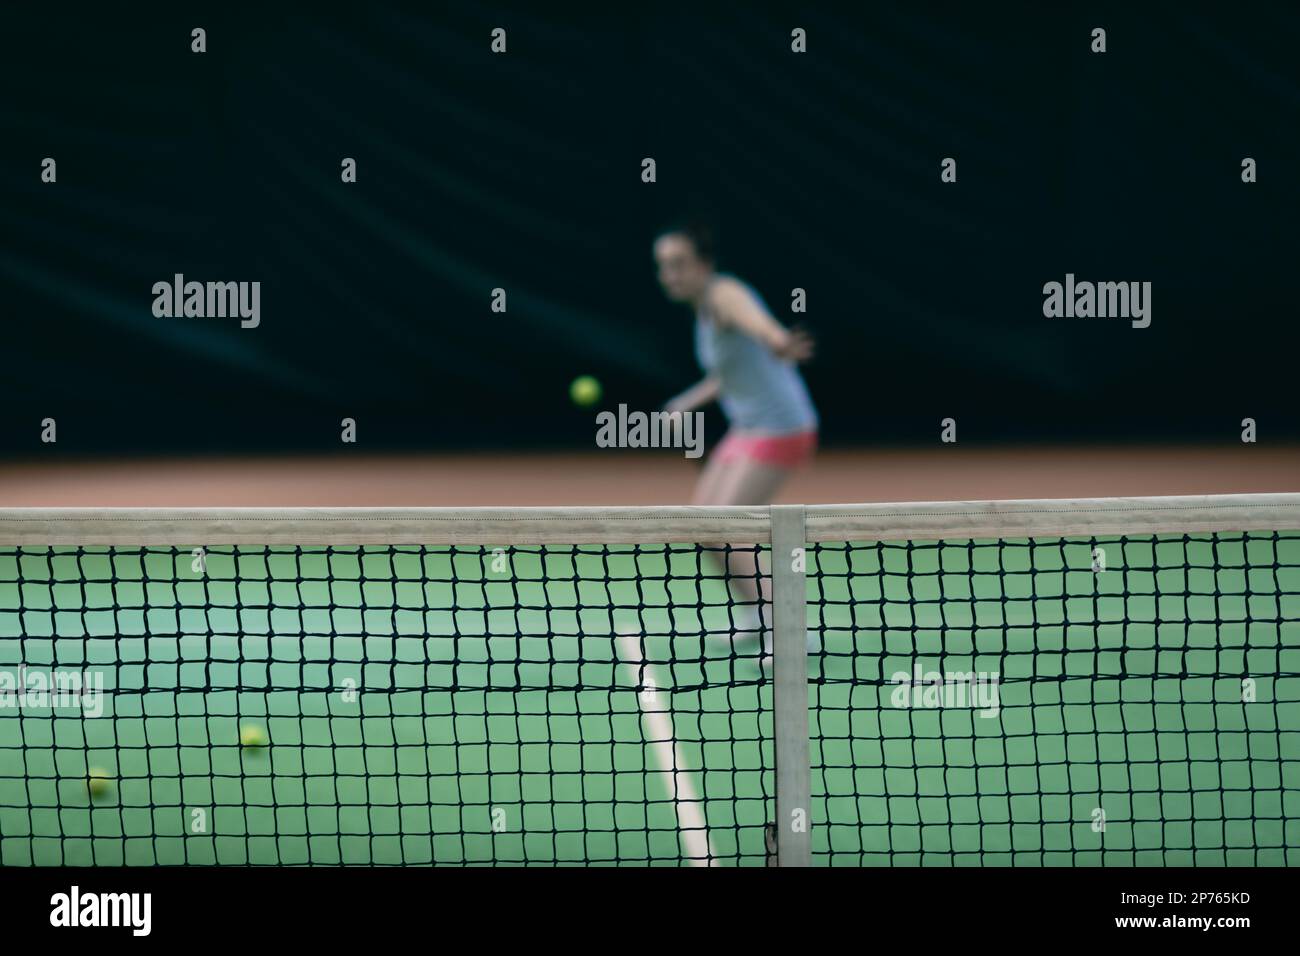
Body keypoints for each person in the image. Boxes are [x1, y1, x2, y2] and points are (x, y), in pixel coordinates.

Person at [654, 222, 818, 662]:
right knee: (704, 525)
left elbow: (756, 321)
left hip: (782, 428)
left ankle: (789, 629)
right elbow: (726, 375)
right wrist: (685, 403)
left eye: (679, 264)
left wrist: (777, 339)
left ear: (704, 265)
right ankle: (755, 613)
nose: (670, 274)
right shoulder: (703, 311)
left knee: (730, 529)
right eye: (664, 267)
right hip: (748, 428)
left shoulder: (724, 295)